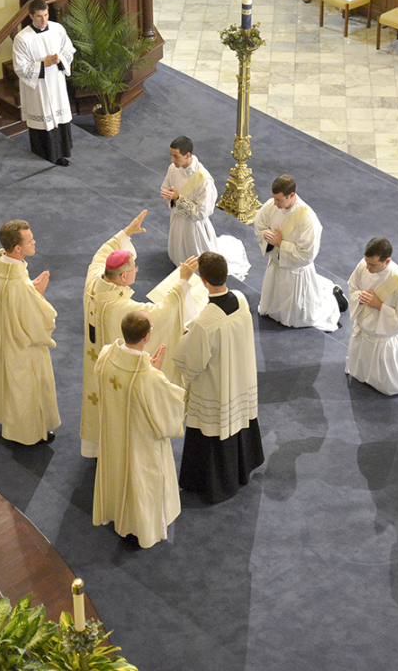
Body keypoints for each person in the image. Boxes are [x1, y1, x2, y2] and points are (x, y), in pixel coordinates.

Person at [81, 211, 197, 458]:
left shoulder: (93, 283)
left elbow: (99, 256)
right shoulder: (121, 308)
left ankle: (97, 447)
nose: (137, 269)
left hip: (99, 364)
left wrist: (125, 234)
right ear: (123, 277)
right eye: (134, 267)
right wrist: (183, 281)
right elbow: (160, 315)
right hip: (118, 373)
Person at [92, 307, 186, 548]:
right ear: (147, 338)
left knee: (118, 475)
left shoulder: (105, 355)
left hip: (113, 437)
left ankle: (117, 516)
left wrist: (151, 371)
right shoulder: (149, 378)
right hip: (141, 446)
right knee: (141, 484)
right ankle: (143, 529)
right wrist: (156, 374)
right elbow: (169, 413)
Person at [175, 251, 264, 504]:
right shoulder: (242, 299)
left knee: (213, 428)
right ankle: (241, 471)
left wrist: (185, 335)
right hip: (239, 377)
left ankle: (214, 485)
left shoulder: (205, 323)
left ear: (202, 281)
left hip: (217, 386)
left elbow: (190, 362)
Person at [0, 219, 59, 445]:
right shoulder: (18, 284)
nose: (34, 242)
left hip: (0, 339)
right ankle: (28, 435)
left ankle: (9, 423)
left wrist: (30, 293)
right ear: (17, 248)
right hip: (21, 347)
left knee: (8, 384)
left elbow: (0, 304)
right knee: (26, 388)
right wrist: (38, 296)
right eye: (29, 240)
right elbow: (36, 322)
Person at [253, 174, 344, 331]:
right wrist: (268, 237)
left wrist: (280, 243)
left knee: (301, 316)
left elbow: (307, 255)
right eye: (274, 198)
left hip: (294, 273)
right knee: (272, 309)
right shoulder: (271, 205)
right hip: (276, 265)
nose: (274, 203)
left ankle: (335, 297)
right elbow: (260, 223)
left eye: (279, 200)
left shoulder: (308, 220)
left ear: (292, 195)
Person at [344, 237, 398, 395]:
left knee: (390, 386)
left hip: (382, 339)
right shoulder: (364, 265)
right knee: (358, 374)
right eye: (366, 262)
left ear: (387, 261)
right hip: (363, 331)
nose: (367, 268)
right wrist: (360, 296)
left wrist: (378, 305)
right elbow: (352, 285)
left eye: (373, 265)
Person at [12, 0, 75, 166]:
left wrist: (59, 58)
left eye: (46, 15)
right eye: (39, 16)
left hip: (56, 81)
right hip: (38, 85)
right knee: (43, 118)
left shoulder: (57, 29)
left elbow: (68, 48)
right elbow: (19, 67)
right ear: (31, 16)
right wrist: (43, 64)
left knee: (58, 116)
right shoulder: (22, 38)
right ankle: (44, 154)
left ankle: (61, 153)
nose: (44, 20)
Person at [160, 135, 219, 262]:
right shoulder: (173, 168)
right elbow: (165, 186)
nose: (172, 160)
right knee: (178, 253)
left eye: (176, 156)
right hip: (177, 219)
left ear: (187, 155)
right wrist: (169, 195)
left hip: (193, 227)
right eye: (171, 155)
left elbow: (202, 212)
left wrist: (177, 199)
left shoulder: (204, 180)